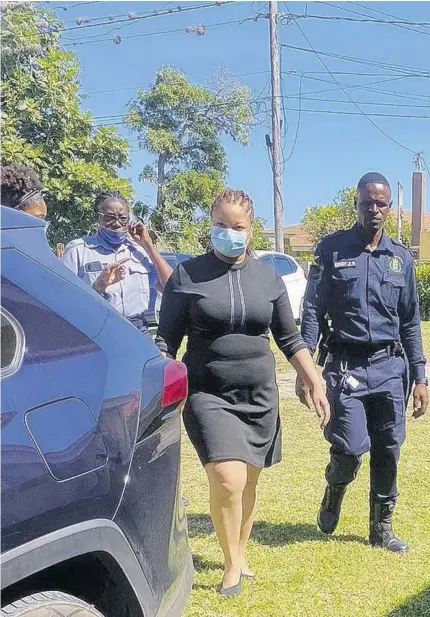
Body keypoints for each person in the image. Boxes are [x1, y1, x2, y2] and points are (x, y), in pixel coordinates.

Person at [155, 189, 330, 596]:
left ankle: (240, 550)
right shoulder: (187, 276)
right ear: (210, 224)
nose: (228, 233)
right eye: (221, 225)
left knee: (248, 481)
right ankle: (232, 565)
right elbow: (166, 339)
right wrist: (160, 377)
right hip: (208, 394)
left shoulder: (267, 278)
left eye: (237, 227)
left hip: (259, 392)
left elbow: (290, 338)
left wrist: (314, 379)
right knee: (227, 477)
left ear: (251, 230)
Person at [297, 172, 428, 553]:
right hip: (346, 367)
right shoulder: (332, 249)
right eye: (366, 202)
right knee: (350, 448)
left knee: (388, 447)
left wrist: (420, 377)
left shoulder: (400, 258)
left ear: (389, 207)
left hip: (390, 369)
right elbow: (312, 310)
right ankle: (334, 489)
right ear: (356, 204)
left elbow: (410, 323)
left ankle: (381, 527)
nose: (374, 209)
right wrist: (306, 370)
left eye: (380, 203)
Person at [62, 191, 172, 334]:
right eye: (109, 218)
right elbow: (63, 299)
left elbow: (171, 287)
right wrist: (98, 286)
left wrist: (148, 244)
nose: (117, 223)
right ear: (98, 218)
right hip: (96, 329)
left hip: (138, 329)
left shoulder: (139, 251)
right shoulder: (78, 250)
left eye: (122, 218)